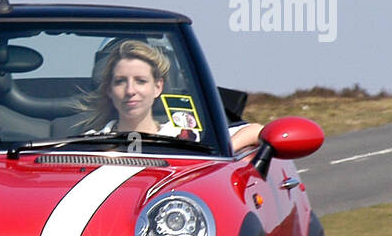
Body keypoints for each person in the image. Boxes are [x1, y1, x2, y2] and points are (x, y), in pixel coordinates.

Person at [79, 39, 263, 153]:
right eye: (120, 81)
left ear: (158, 87)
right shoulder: (87, 144)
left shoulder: (186, 138)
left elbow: (257, 130)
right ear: (109, 90)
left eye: (141, 81)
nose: (130, 91)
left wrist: (224, 150)